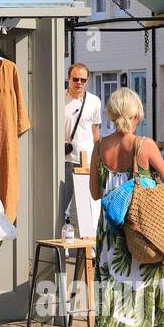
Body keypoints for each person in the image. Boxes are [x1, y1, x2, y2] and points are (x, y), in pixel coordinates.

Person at [88, 87, 164, 327]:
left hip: (110, 238)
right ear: (135, 114)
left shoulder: (100, 146)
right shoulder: (144, 145)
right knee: (156, 290)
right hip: (144, 234)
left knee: (112, 294)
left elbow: (94, 193)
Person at [62, 63, 102, 228]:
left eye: (83, 80)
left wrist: (99, 158)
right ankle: (60, 240)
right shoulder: (59, 99)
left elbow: (95, 132)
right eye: (75, 79)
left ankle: (88, 247)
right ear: (68, 79)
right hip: (63, 159)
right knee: (61, 205)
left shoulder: (94, 101)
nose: (79, 83)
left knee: (87, 205)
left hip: (86, 159)